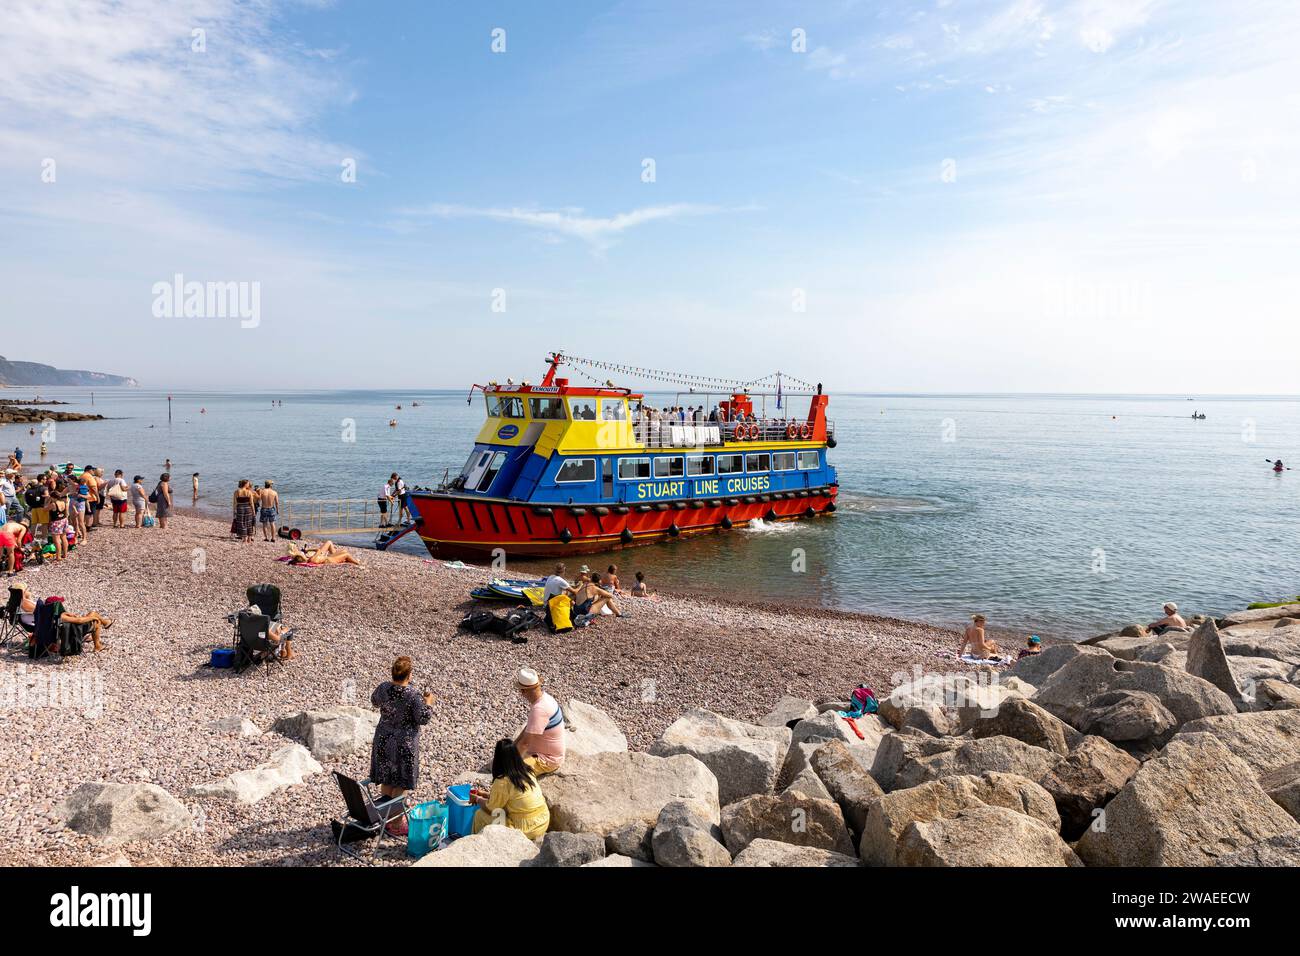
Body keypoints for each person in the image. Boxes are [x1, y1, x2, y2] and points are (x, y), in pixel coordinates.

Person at [369, 656, 434, 836]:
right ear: (409, 675)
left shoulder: (383, 688)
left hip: (383, 738)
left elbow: (374, 701)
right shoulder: (413, 695)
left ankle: (386, 818)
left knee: (388, 777)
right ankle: (397, 824)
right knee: (402, 781)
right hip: (404, 742)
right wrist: (428, 703)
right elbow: (423, 718)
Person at [471, 738, 551, 840]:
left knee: (480, 815)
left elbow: (491, 808)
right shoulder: (527, 771)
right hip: (543, 820)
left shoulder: (503, 781)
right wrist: (484, 794)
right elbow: (511, 799)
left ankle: (478, 845)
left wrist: (477, 799)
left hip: (527, 828)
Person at [512, 667, 566, 776]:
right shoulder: (546, 698)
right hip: (550, 753)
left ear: (523, 691)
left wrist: (510, 763)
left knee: (512, 776)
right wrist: (513, 747)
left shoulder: (539, 710)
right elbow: (529, 728)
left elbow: (525, 744)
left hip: (547, 759)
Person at [286, 540, 361, 566]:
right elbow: (318, 550)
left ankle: (353, 561)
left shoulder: (309, 559)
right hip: (331, 560)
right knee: (346, 554)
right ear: (303, 558)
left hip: (328, 558)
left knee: (344, 551)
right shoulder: (312, 559)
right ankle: (358, 563)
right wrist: (308, 550)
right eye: (302, 555)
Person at [47, 490, 70, 560]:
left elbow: (45, 509)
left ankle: (58, 556)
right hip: (63, 520)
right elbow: (66, 513)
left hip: (56, 522)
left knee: (56, 540)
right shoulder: (63, 502)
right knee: (64, 538)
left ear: (53, 497)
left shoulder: (53, 504)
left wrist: (47, 501)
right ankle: (65, 554)